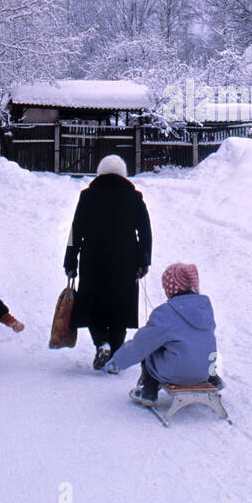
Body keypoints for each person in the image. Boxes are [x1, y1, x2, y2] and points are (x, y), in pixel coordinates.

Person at [63, 154, 152, 371]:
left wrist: (70, 260)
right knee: (120, 307)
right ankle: (115, 352)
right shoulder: (134, 197)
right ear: (123, 174)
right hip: (125, 260)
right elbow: (145, 232)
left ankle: (101, 343)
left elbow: (76, 231)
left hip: (93, 259)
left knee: (94, 304)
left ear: (100, 172)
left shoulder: (87, 196)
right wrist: (144, 260)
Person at [104, 262, 220, 406]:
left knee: (151, 346)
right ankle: (214, 378)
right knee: (197, 343)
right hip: (205, 371)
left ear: (171, 288)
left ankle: (148, 391)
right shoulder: (205, 308)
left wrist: (117, 362)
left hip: (177, 373)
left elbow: (140, 345)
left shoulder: (166, 313)